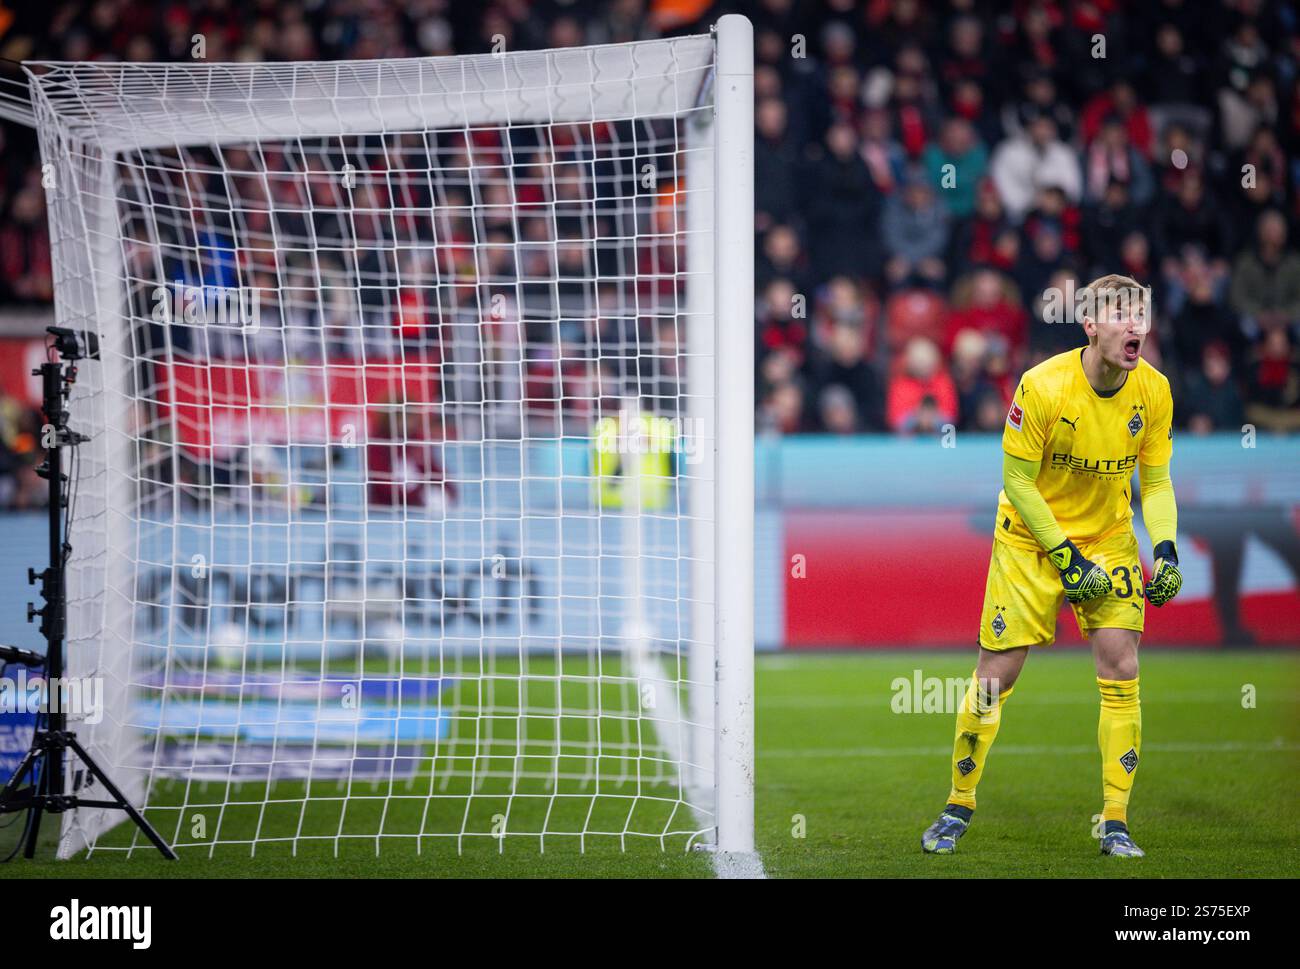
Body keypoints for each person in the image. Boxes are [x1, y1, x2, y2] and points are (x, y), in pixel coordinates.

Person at [920, 274, 1183, 859]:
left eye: (1141, 314)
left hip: (1110, 536)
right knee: (996, 679)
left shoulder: (1156, 392)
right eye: (1121, 315)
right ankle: (958, 803)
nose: (1135, 325)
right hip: (1031, 541)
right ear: (1090, 325)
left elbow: (1157, 480)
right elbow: (1016, 480)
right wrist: (1066, 558)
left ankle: (1115, 821)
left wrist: (1163, 547)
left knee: (1122, 666)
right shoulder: (1042, 386)